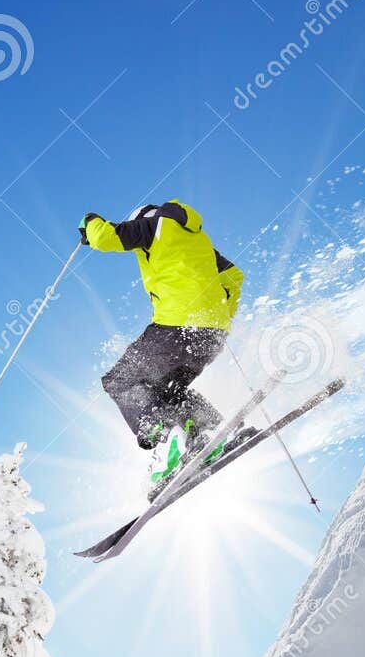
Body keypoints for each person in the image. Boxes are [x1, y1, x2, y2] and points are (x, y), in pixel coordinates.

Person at [80, 201, 248, 493]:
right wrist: (220, 317)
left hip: (175, 327)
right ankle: (208, 431)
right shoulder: (201, 243)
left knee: (118, 381)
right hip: (211, 334)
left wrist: (90, 221)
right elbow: (234, 277)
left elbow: (106, 237)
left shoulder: (151, 226)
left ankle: (164, 437)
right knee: (168, 391)